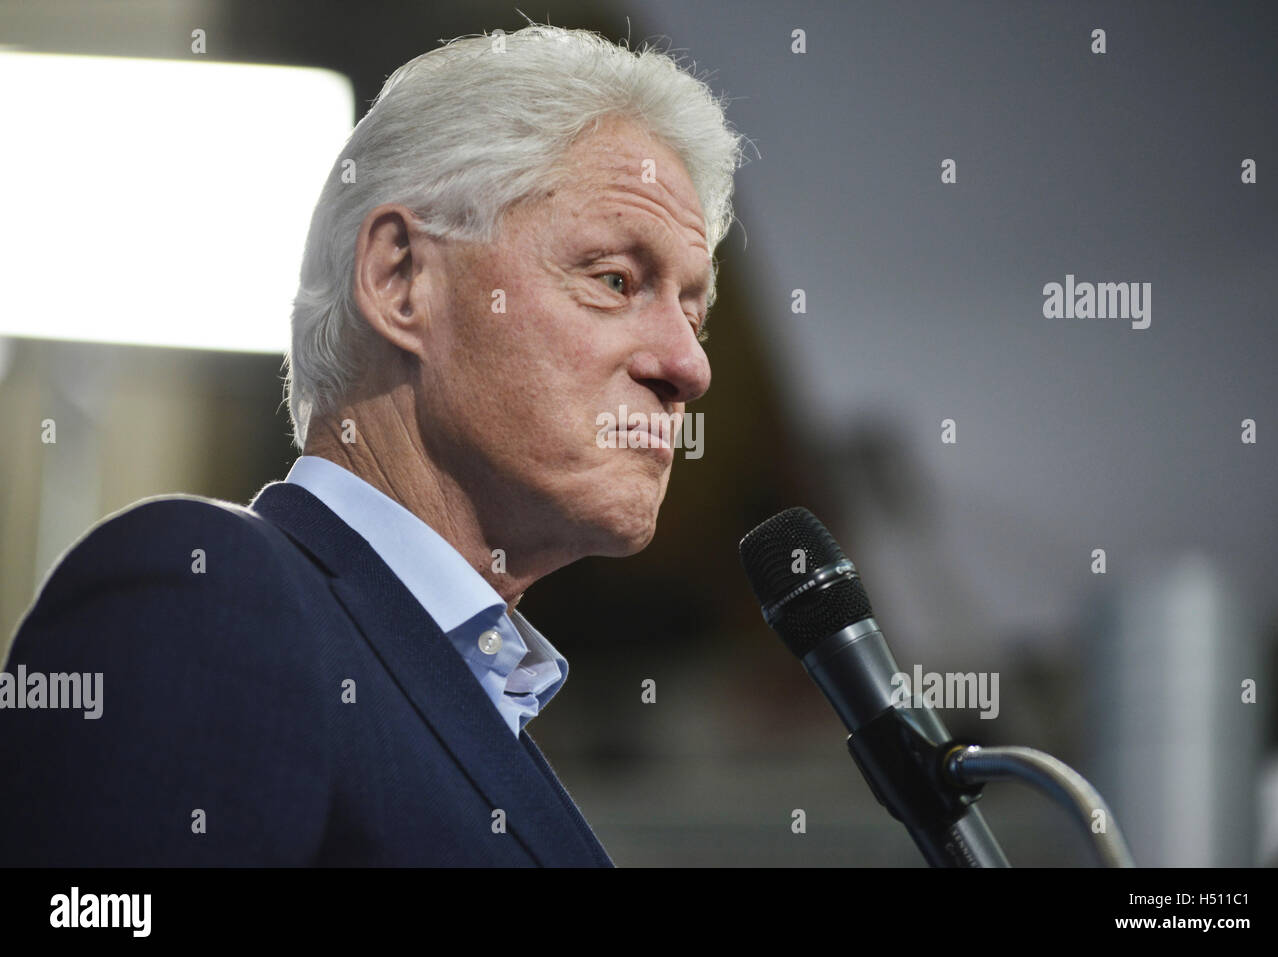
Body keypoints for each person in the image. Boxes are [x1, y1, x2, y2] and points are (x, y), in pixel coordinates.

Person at [0, 24, 744, 866]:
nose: (689, 364)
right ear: (400, 280)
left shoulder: (465, 699)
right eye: (615, 280)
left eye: (694, 310)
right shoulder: (204, 596)